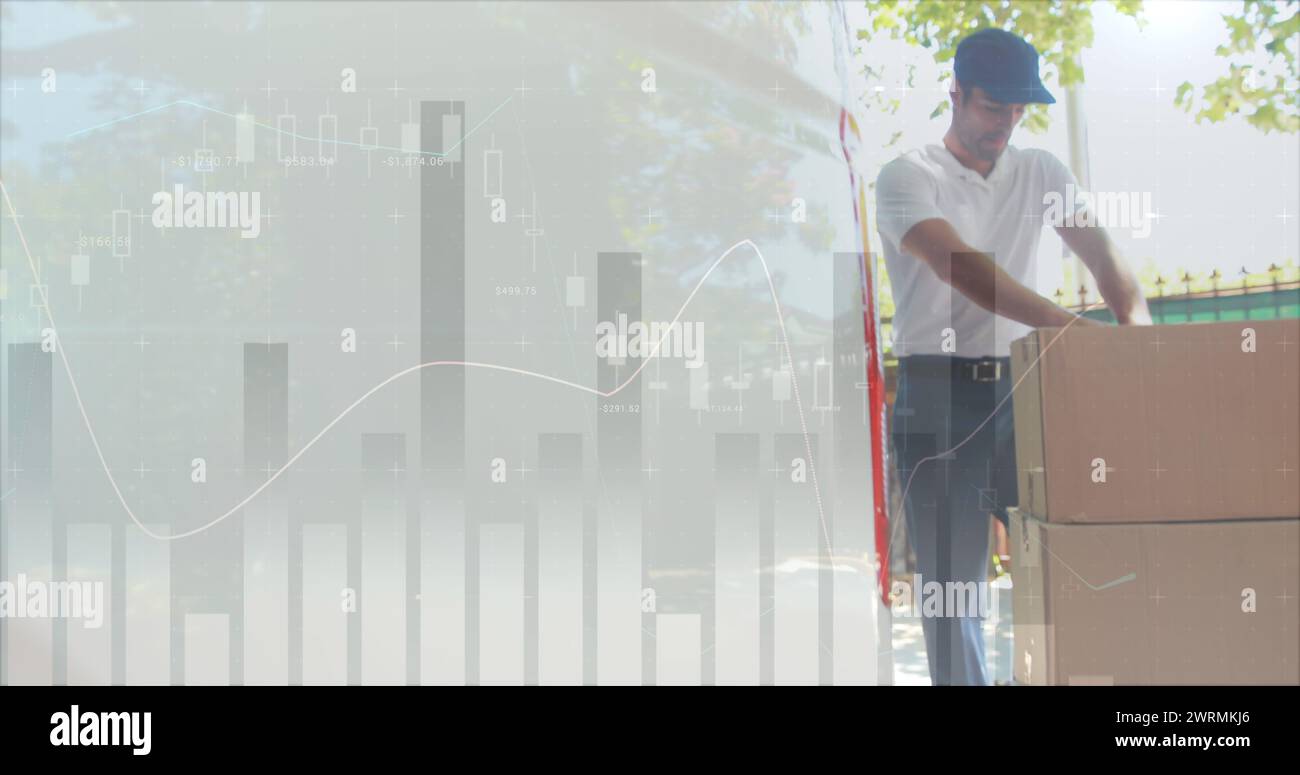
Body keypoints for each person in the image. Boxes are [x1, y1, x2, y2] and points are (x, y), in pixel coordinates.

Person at [875, 28, 1151, 686]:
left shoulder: (1042, 172)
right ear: (957, 94)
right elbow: (963, 269)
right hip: (937, 394)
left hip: (1027, 385)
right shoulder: (906, 176)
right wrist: (1068, 327)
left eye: (1019, 110)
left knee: (1080, 547)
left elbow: (1107, 260)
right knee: (952, 588)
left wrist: (1141, 335)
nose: (1007, 124)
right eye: (993, 108)